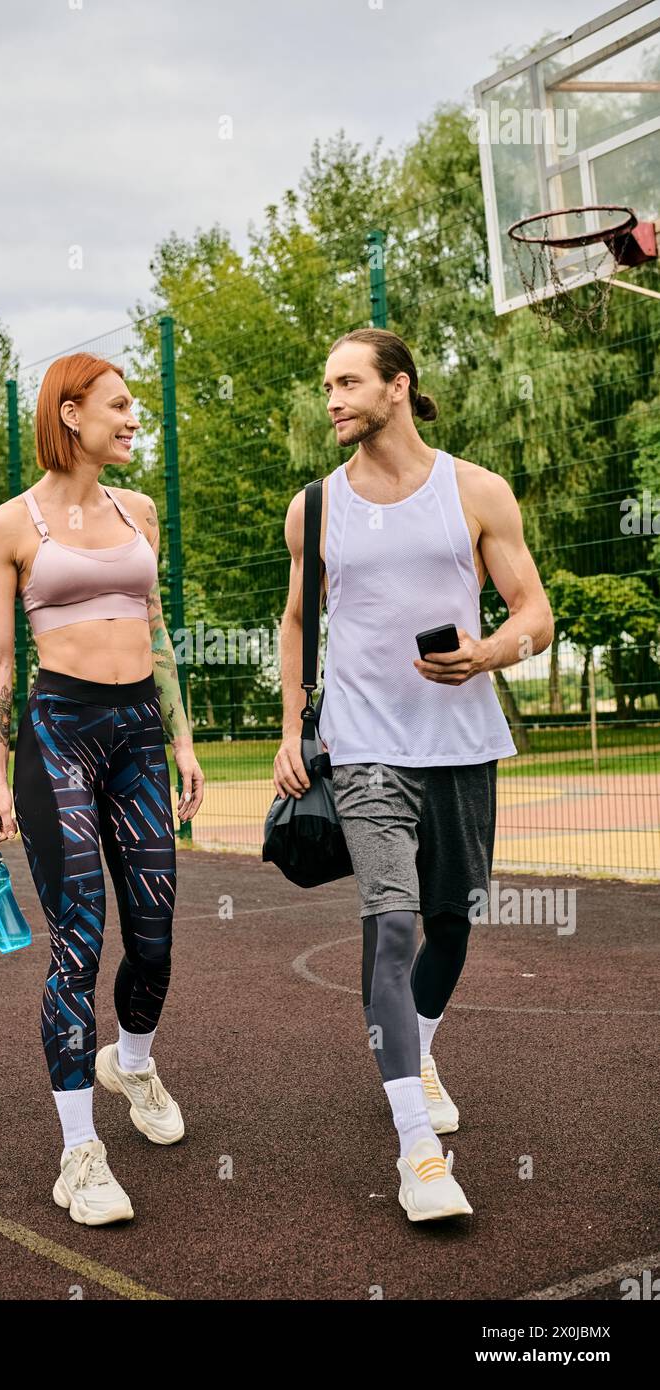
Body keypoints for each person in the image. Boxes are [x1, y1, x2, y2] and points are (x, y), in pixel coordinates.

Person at [274, 328, 553, 1222]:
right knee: (390, 928)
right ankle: (417, 1154)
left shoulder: (475, 490)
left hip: (461, 743)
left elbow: (535, 613)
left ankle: (417, 1048)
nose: (332, 398)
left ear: (398, 388)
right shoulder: (313, 509)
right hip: (363, 748)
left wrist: (488, 654)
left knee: (452, 924)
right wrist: (292, 731)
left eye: (348, 381)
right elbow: (293, 622)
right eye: (327, 384)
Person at [0, 353, 204, 1226]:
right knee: (80, 938)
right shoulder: (10, 525)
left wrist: (182, 740)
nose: (133, 417)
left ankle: (132, 1060)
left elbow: (157, 629)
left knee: (153, 938)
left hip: (141, 732)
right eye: (118, 405)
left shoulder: (139, 512)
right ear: (70, 414)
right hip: (58, 736)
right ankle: (80, 1154)